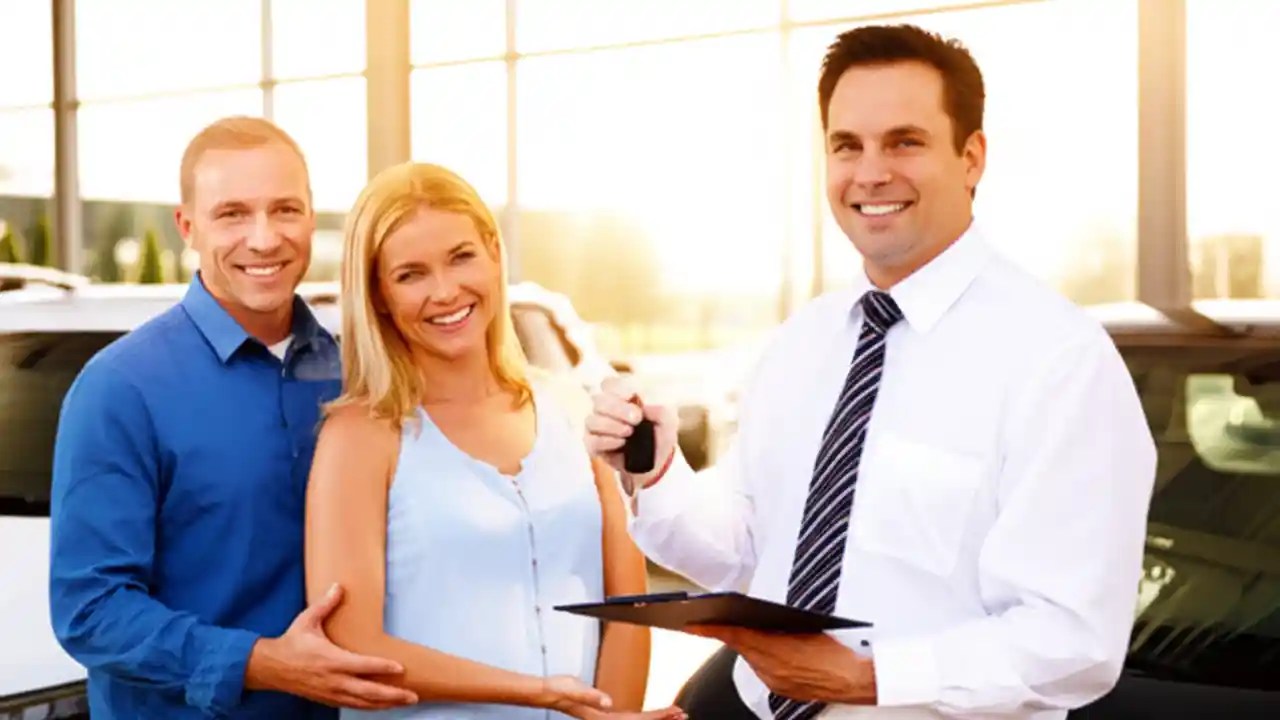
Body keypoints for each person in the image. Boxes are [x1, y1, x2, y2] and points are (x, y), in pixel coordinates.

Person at [586, 23, 1157, 720]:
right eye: (846, 145)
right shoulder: (804, 343)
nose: (870, 173)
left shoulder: (1059, 361)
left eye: (904, 142)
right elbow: (745, 554)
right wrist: (655, 471)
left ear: (972, 156)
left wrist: (868, 677)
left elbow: (1074, 639)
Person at [48, 116, 418, 719]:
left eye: (286, 210)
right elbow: (91, 609)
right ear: (187, 226)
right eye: (233, 214)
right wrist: (263, 662)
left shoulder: (363, 376)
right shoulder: (120, 389)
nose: (265, 239)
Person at [303, 161, 686, 720]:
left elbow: (626, 605)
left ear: (493, 253)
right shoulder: (360, 436)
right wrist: (542, 693)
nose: (445, 291)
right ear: (379, 295)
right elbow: (355, 647)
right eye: (411, 274)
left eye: (461, 257)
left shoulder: (572, 409)